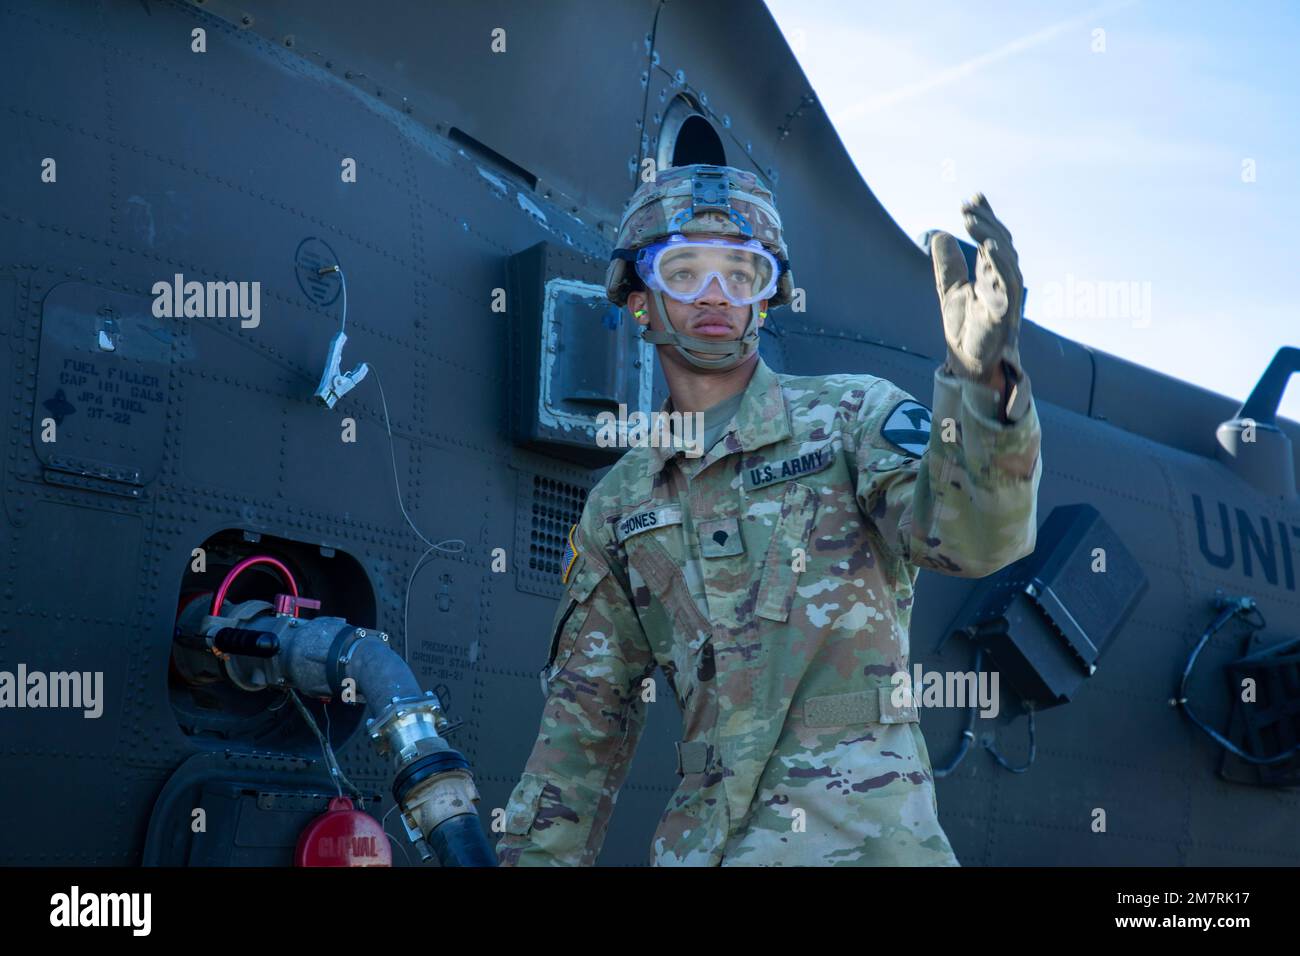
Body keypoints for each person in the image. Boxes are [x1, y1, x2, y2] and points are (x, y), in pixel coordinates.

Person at [496, 163, 1041, 866]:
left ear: (766, 296)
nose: (716, 295)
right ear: (638, 300)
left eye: (741, 274)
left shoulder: (853, 419)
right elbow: (580, 739)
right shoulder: (623, 505)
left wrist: (981, 392)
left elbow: (971, 541)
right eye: (684, 272)